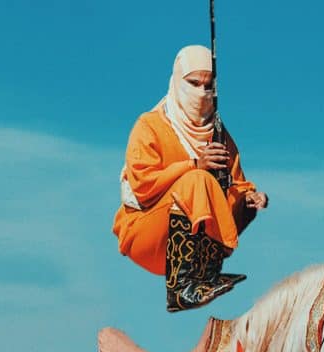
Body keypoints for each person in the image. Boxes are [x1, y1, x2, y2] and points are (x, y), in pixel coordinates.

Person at [113, 45, 269, 312]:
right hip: (147, 233)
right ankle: (179, 290)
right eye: (194, 83)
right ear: (177, 81)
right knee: (197, 180)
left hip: (194, 248)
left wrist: (250, 197)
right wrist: (194, 164)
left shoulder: (219, 135)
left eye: (208, 86)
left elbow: (237, 182)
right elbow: (143, 185)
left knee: (225, 192)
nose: (201, 92)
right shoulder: (150, 126)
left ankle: (205, 276)